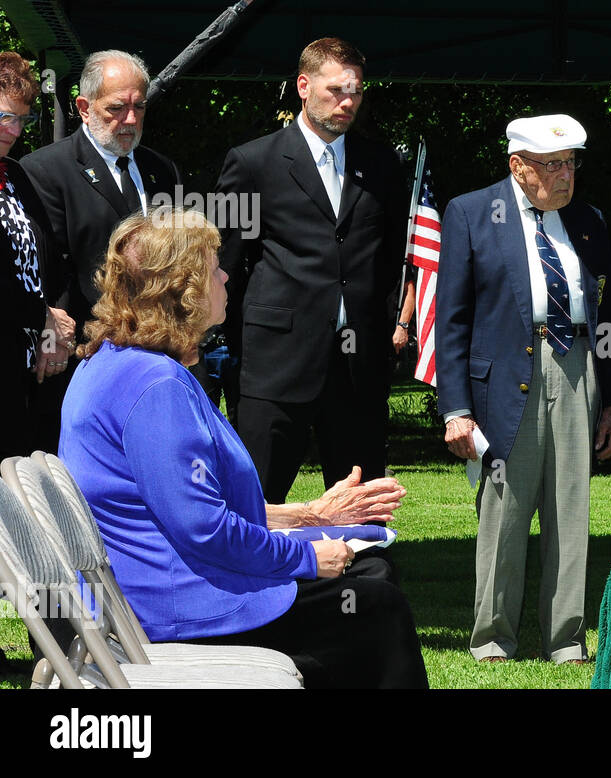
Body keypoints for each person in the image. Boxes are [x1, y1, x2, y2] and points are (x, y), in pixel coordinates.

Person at [58, 209, 425, 688]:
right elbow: (205, 531)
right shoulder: (154, 385)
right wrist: (308, 558)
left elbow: (184, 509)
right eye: (213, 268)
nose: (226, 274)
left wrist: (307, 516)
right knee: (375, 604)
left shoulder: (114, 362)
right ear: (183, 290)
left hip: (155, 592)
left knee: (371, 571)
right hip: (177, 612)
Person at [435, 114, 611, 663]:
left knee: (572, 505)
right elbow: (451, 322)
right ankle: (493, 638)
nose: (565, 175)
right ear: (517, 167)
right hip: (503, 376)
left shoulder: (589, 220)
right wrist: (457, 410)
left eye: (570, 164)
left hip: (576, 365)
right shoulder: (471, 213)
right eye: (551, 165)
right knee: (504, 508)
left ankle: (566, 640)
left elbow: (609, 319)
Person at [215, 38, 406, 503]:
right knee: (257, 505)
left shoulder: (382, 164)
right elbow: (221, 263)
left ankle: (360, 578)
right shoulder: (252, 162)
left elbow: (390, 259)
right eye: (336, 89)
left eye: (356, 91)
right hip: (274, 366)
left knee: (362, 508)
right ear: (303, 86)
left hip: (358, 368)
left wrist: (393, 326)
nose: (347, 101)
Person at [20, 50, 183, 451]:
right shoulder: (45, 170)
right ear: (83, 107)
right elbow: (49, 267)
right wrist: (51, 338)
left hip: (156, 354)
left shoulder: (163, 170)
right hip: (83, 357)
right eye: (116, 108)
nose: (129, 120)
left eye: (139, 107)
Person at [0, 51, 74, 460]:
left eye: (21, 120)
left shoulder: (16, 175)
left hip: (29, 362)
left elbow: (51, 261)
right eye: (3, 117)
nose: (12, 130)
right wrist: (42, 318)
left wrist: (51, 336)